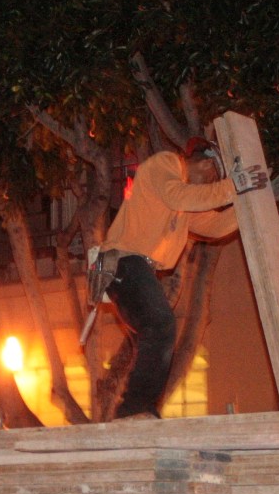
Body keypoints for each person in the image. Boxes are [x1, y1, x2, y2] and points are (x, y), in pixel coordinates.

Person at [96, 137, 238, 419]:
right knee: (160, 325)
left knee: (156, 333)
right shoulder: (166, 164)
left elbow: (215, 225)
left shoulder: (182, 204)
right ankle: (135, 409)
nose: (209, 187)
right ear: (207, 165)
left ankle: (139, 409)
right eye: (212, 180)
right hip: (123, 262)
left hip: (133, 268)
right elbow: (179, 195)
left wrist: (250, 202)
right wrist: (234, 187)